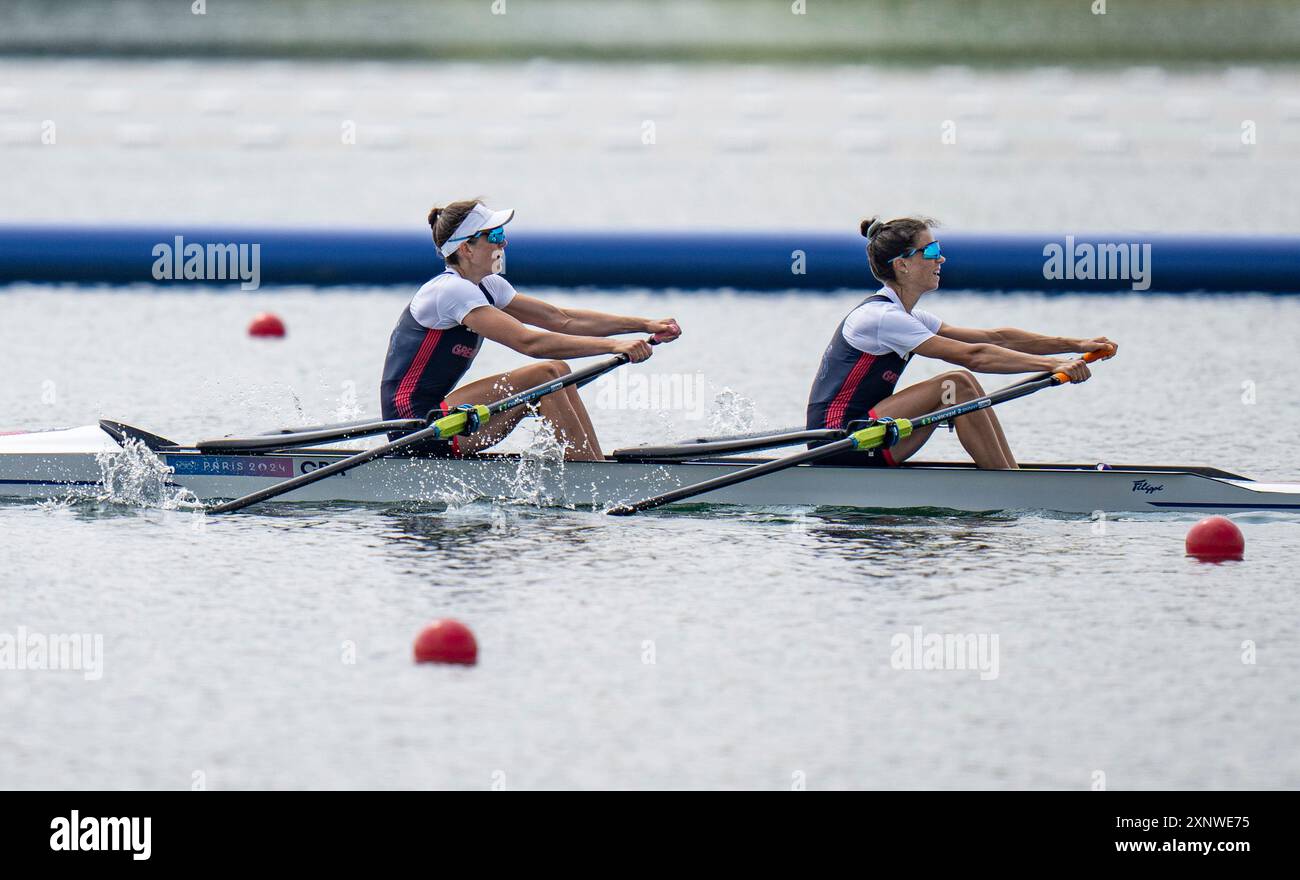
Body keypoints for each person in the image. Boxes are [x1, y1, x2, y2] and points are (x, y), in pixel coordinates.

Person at [806, 216, 1117, 468]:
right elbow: (975, 357)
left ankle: (1010, 476)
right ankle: (1008, 486)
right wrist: (1055, 365)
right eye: (929, 252)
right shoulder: (881, 318)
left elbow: (995, 338)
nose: (940, 257)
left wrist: (1076, 345)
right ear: (902, 264)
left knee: (959, 387)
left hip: (873, 433)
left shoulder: (909, 316)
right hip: (840, 441)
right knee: (956, 385)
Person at [381, 199, 681, 460]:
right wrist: (615, 347)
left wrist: (644, 325)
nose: (504, 243)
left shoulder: (488, 286)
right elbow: (530, 342)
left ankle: (590, 465)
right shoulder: (449, 291)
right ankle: (590, 478)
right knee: (546, 374)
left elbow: (561, 319)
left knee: (558, 372)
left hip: (449, 421)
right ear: (466, 249)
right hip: (417, 427)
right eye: (495, 235)